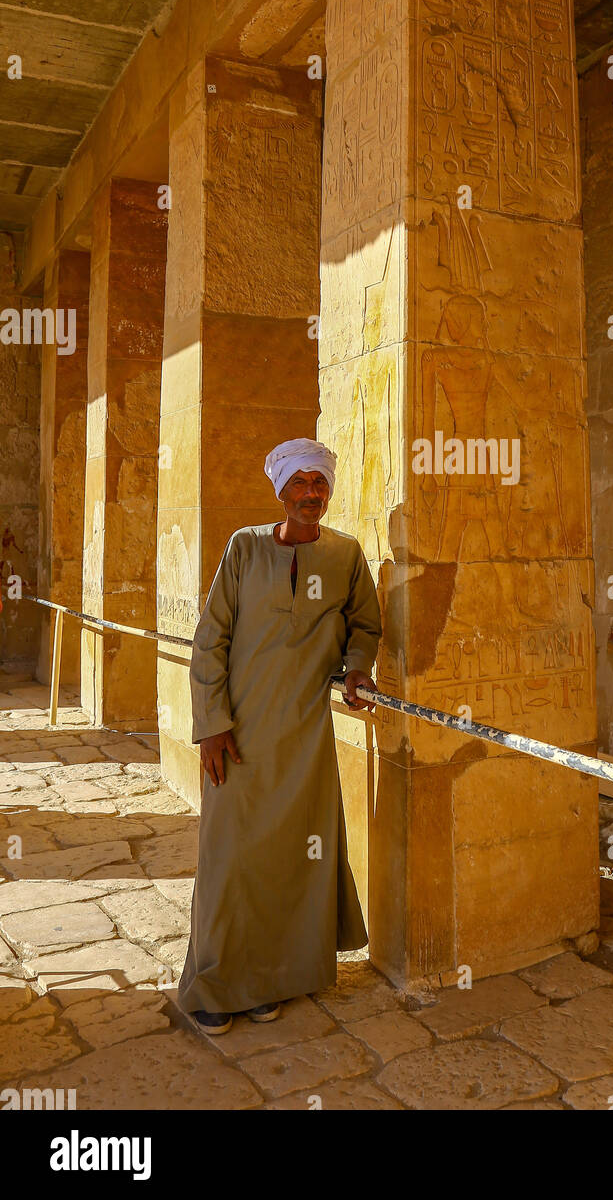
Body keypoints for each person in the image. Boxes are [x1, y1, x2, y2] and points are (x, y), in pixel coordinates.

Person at [177, 437, 381, 1035]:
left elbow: (364, 623)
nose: (312, 495)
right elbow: (210, 639)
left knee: (292, 859)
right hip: (238, 736)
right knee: (230, 860)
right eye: (300, 484)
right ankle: (216, 984)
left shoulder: (346, 556)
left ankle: (270, 981)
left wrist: (359, 668)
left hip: (304, 738)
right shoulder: (244, 549)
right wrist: (211, 725)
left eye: (320, 484)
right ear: (281, 491)